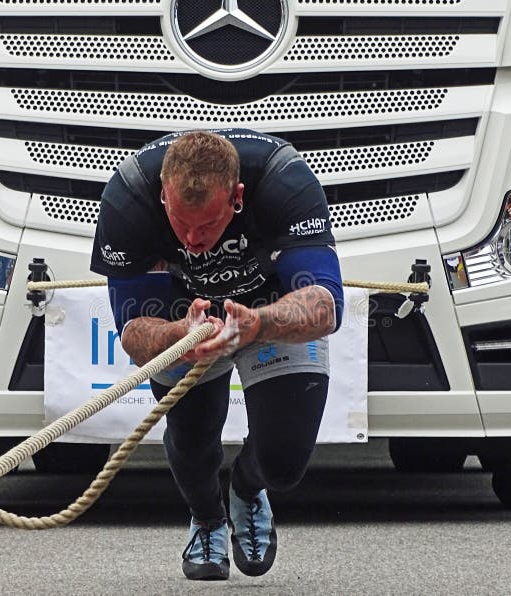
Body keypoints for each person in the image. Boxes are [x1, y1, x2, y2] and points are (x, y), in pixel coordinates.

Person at [90, 129, 344, 581]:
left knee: (285, 463)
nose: (191, 240)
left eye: (207, 226)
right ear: (163, 195)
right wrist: (178, 335)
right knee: (191, 444)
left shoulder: (285, 181)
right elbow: (131, 334)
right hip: (180, 315)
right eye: (180, 223)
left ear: (237, 197)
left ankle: (246, 489)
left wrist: (258, 323)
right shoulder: (128, 197)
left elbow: (326, 306)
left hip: (270, 306)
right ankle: (207, 518)